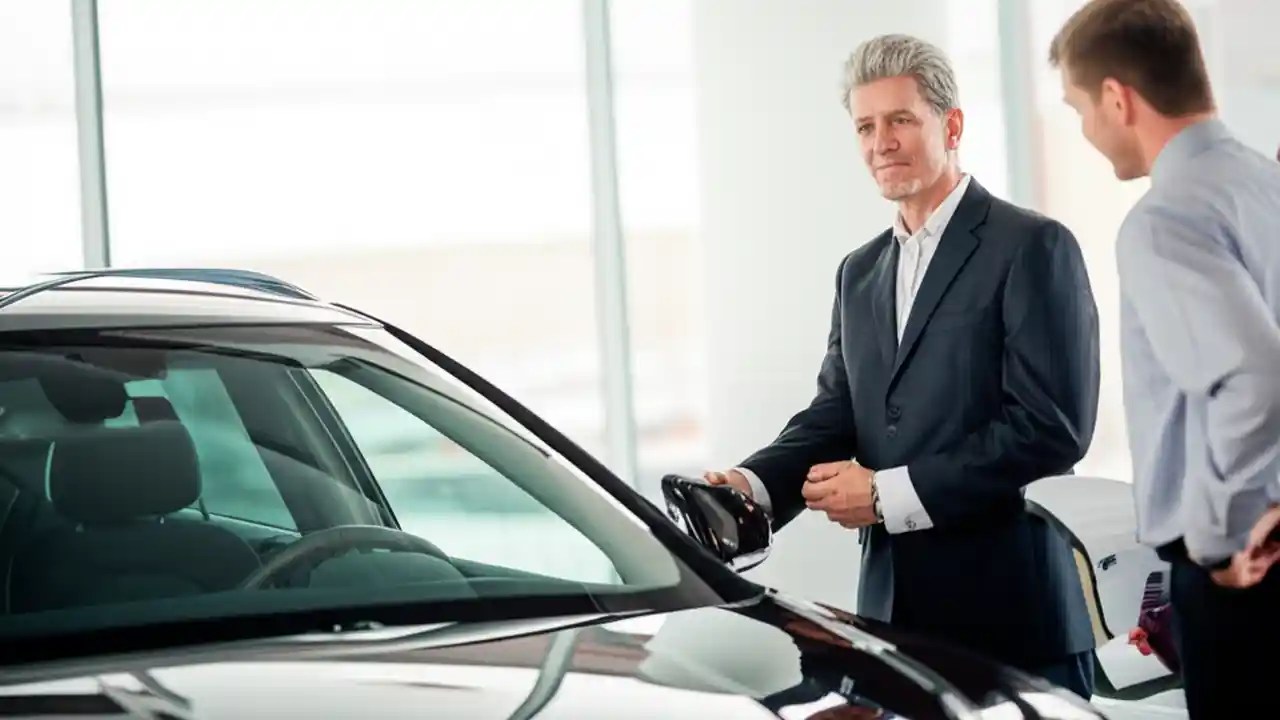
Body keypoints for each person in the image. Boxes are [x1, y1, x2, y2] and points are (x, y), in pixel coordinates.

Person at [704, 33, 1100, 698]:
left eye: (900, 120)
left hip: (1016, 621)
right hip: (893, 622)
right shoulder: (859, 274)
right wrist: (753, 486)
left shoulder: (1032, 246)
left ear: (952, 125)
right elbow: (837, 415)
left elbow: (1051, 428)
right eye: (865, 125)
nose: (881, 141)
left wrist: (887, 496)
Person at [1048, 0, 1280, 715]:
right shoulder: (1265, 183)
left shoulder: (1164, 219)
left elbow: (1255, 377)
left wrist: (1218, 538)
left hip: (1240, 572)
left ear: (1118, 98)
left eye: (1080, 108)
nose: (1085, 130)